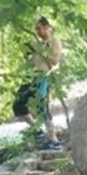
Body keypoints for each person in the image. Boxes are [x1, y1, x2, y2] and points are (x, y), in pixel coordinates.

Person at [29, 16, 63, 149]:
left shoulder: (55, 41)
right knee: (27, 106)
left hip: (45, 77)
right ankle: (41, 133)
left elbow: (55, 61)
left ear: (47, 27)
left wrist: (41, 52)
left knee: (43, 107)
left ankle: (54, 140)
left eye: (39, 28)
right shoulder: (40, 44)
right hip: (35, 77)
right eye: (36, 29)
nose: (37, 32)